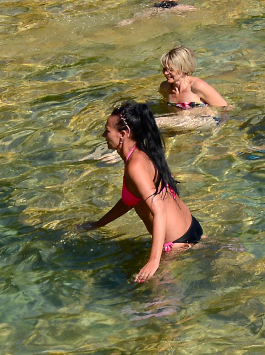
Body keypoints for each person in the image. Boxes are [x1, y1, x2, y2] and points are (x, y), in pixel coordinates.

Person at [84, 101, 203, 280]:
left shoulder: (135, 166)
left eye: (107, 131)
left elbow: (159, 210)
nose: (103, 135)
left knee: (151, 294)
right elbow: (130, 200)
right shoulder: (142, 153)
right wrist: (98, 224)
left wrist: (154, 261)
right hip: (190, 227)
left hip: (176, 243)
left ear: (123, 134)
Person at [158, 46, 230, 112]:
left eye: (171, 70)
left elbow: (225, 107)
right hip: (180, 120)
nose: (166, 73)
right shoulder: (165, 87)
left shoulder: (197, 86)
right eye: (164, 69)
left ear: (184, 69)